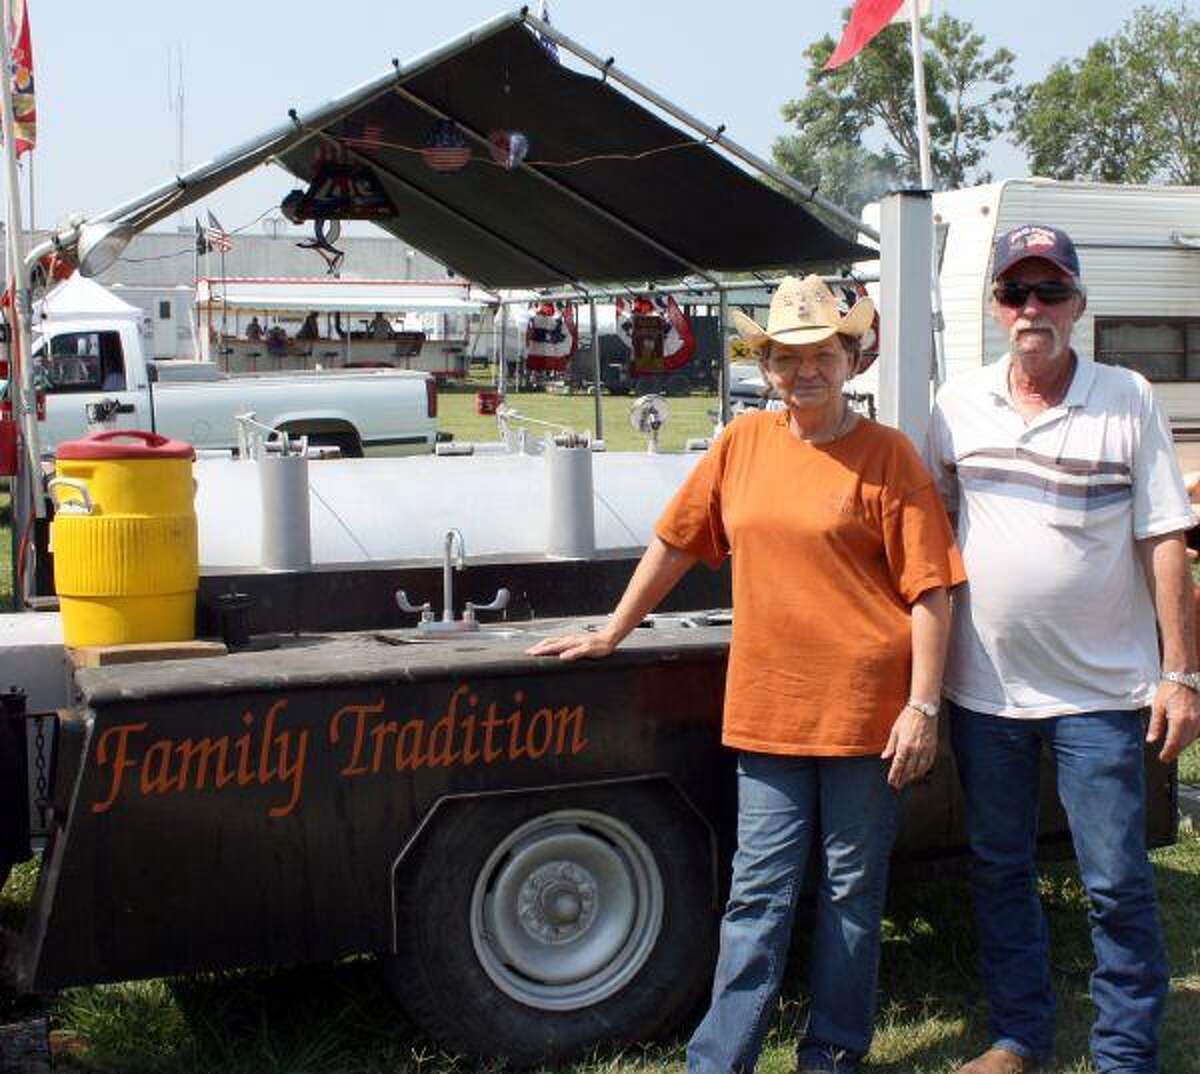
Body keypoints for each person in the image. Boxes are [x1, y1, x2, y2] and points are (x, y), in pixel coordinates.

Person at [528, 274, 964, 1073]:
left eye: (824, 355)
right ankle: (718, 1061)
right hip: (770, 710)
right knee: (758, 897)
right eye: (788, 357)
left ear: (852, 359)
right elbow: (677, 541)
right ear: (765, 366)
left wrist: (923, 707)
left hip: (869, 716)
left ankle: (830, 1055)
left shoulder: (889, 457)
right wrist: (615, 629)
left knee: (849, 897)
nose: (807, 372)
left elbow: (931, 589)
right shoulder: (741, 444)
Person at [924, 224, 1200, 1074]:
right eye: (1016, 292)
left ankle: (1123, 1054)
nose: (1031, 308)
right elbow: (931, 526)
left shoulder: (1128, 397)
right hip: (986, 694)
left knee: (1114, 882)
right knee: (1000, 872)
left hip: (1104, 696)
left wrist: (1180, 674)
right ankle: (1017, 1038)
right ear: (996, 306)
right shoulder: (955, 405)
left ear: (1079, 305)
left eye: (1050, 292)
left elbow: (1164, 537)